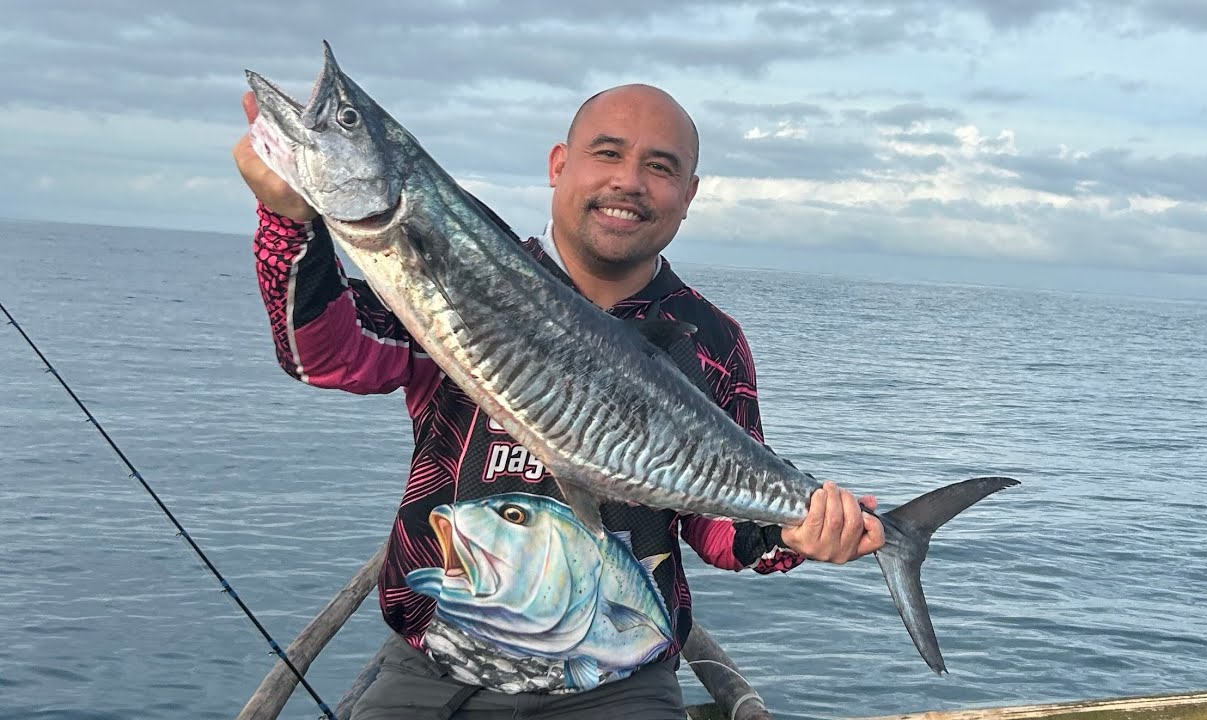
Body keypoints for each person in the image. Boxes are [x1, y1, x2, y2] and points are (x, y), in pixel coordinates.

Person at [232, 83, 884, 719]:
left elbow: (717, 522)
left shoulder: (708, 340)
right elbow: (326, 354)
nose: (628, 180)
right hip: (432, 670)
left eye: (660, 167)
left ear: (688, 196)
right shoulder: (465, 273)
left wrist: (796, 532)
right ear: (558, 165)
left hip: (620, 683)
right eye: (608, 152)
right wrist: (292, 225)